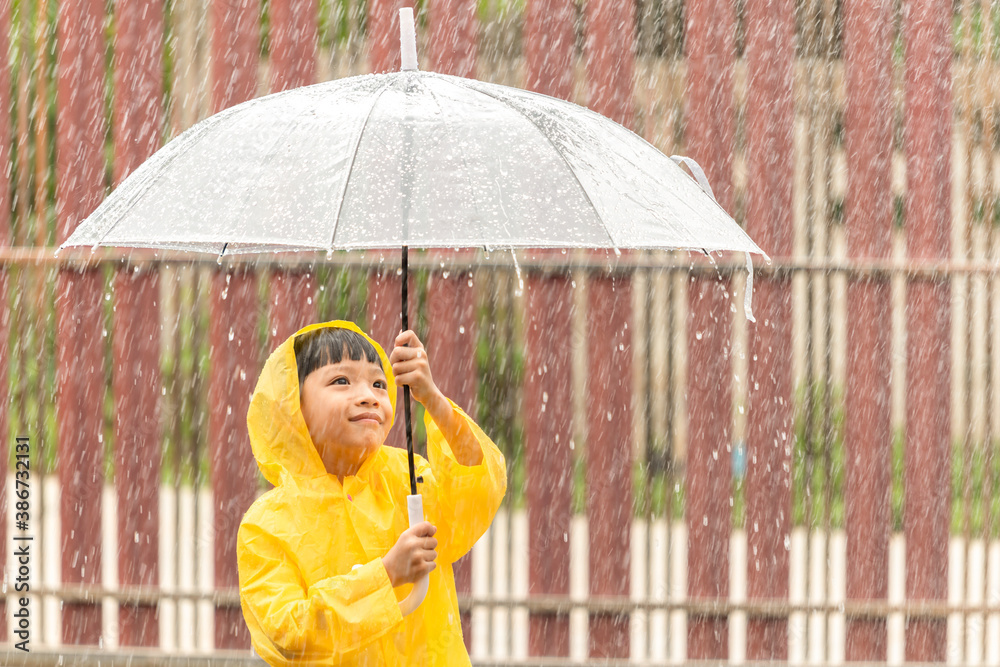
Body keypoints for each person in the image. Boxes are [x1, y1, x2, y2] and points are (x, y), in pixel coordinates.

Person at [238, 320, 507, 665]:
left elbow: (476, 493)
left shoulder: (410, 479)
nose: (369, 396)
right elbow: (291, 634)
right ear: (293, 405)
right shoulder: (265, 527)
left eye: (380, 384)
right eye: (341, 381)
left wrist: (433, 400)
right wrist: (387, 573)